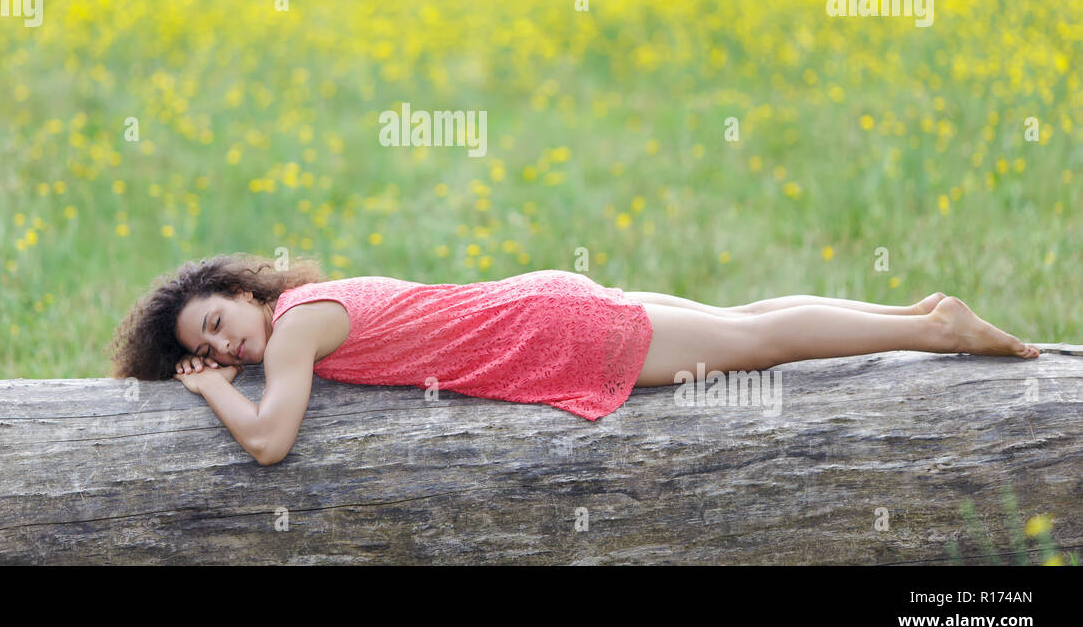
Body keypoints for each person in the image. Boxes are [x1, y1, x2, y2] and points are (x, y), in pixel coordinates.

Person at [109, 252, 1042, 466]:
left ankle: (934, 332)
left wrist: (222, 395)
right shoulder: (314, 303)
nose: (226, 347)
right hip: (543, 298)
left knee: (757, 342)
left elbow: (272, 443)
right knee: (748, 317)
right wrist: (228, 376)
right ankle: (917, 310)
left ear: (251, 295)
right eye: (205, 349)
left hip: (555, 332)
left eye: (222, 325)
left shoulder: (300, 326)